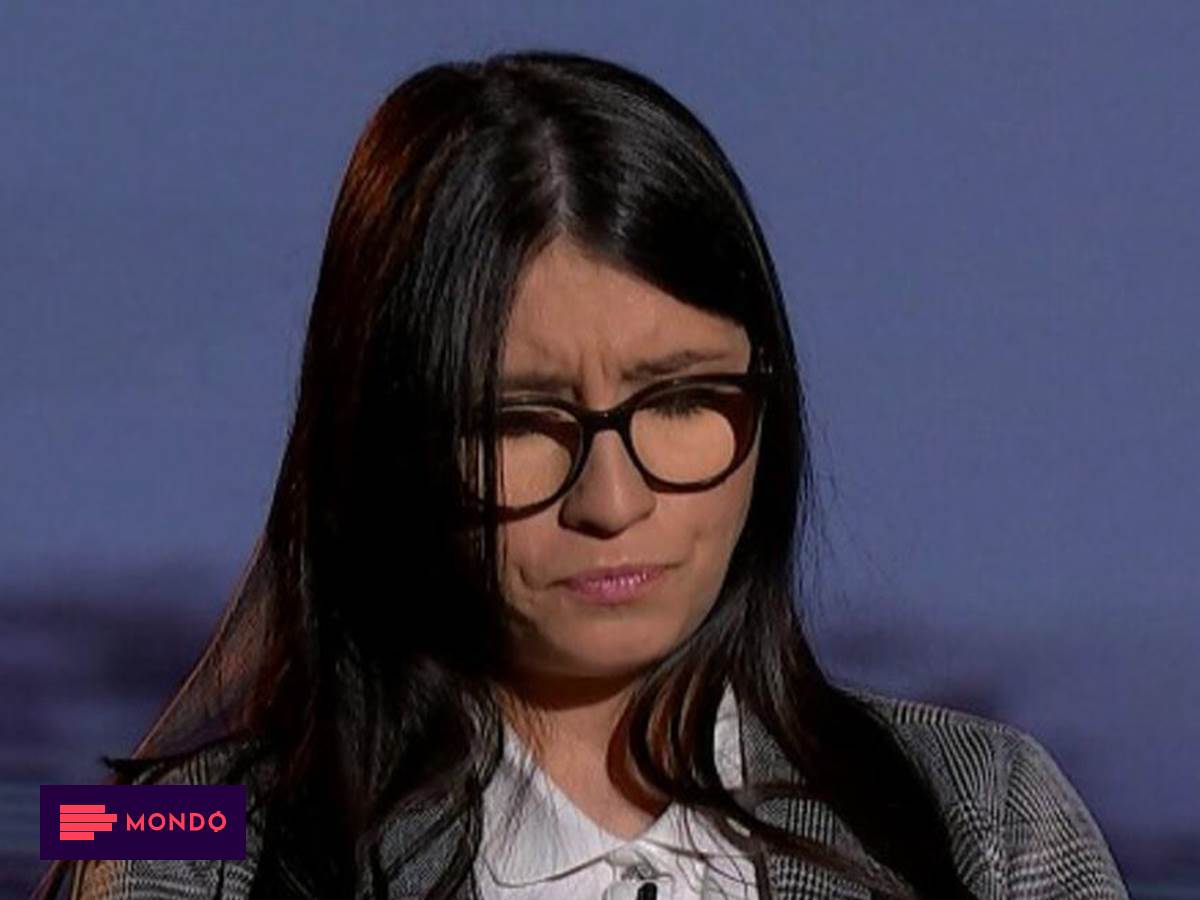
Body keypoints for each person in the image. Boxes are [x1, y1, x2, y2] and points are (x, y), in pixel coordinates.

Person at [33, 49, 1129, 900]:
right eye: (519, 422)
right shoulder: (172, 836)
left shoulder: (986, 814)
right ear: (387, 436)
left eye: (682, 401)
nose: (613, 502)